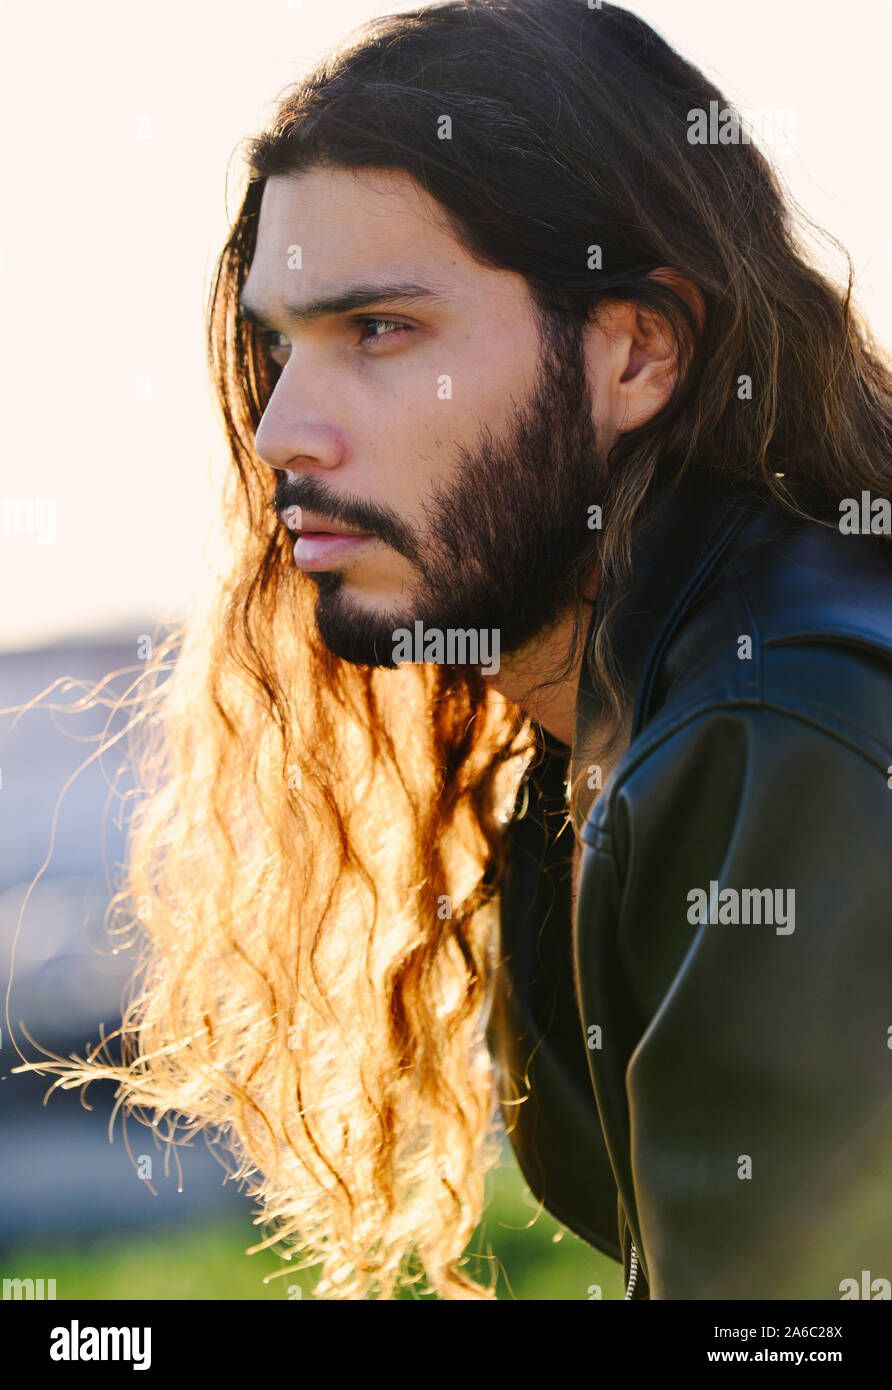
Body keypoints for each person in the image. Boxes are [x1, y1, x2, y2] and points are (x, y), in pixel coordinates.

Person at [19, 0, 891, 1299]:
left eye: (380, 331)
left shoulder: (779, 727)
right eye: (278, 345)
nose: (281, 434)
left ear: (637, 351)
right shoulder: (622, 715)